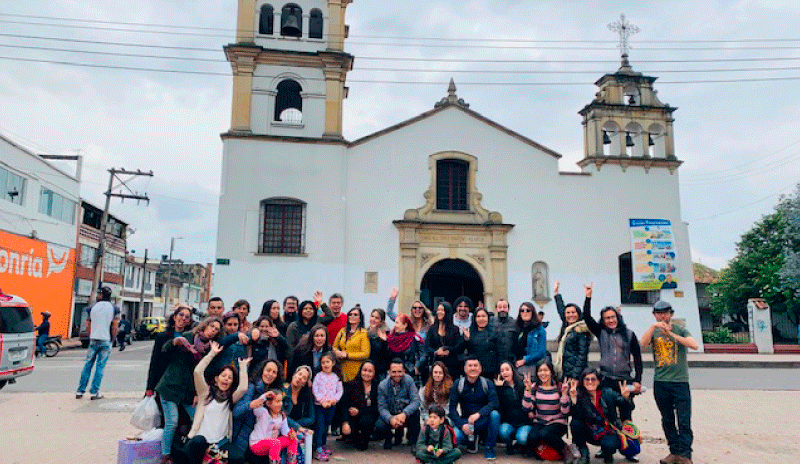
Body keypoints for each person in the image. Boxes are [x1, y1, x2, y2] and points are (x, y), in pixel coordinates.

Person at [155, 317, 223, 464]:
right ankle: (166, 455)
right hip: (170, 387)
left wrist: (197, 393)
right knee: (172, 422)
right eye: (212, 326)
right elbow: (165, 349)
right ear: (204, 326)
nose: (213, 331)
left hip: (188, 392)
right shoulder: (188, 337)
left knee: (199, 419)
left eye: (217, 329)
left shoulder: (210, 348)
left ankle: (198, 452)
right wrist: (174, 342)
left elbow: (202, 372)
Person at [640, 301, 699, 464]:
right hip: (661, 382)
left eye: (665, 313)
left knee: (684, 420)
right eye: (659, 313)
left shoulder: (680, 329)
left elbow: (694, 345)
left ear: (671, 314)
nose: (662, 316)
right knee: (667, 419)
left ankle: (685, 455)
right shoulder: (654, 332)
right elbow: (642, 344)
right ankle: (674, 452)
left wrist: (671, 334)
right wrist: (653, 328)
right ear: (654, 315)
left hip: (680, 382)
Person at [183, 342, 250, 464]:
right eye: (224, 376)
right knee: (198, 442)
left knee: (238, 458)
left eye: (230, 378)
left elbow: (243, 388)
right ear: (216, 378)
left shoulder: (230, 398)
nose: (226, 379)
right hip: (200, 442)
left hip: (219, 442)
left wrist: (243, 366)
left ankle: (212, 457)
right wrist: (212, 353)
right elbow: (198, 372)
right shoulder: (205, 393)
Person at [584, 303, 642, 421]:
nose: (610, 320)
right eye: (607, 318)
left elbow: (637, 358)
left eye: (612, 317)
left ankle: (627, 438)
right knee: (608, 414)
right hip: (606, 379)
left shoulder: (629, 334)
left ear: (618, 317)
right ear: (603, 320)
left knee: (626, 414)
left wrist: (637, 380)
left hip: (625, 379)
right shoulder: (601, 332)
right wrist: (588, 297)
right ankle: (612, 438)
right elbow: (587, 317)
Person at [568, 368, 632, 464]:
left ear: (598, 381)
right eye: (587, 379)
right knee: (575, 424)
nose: (590, 382)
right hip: (590, 430)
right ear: (583, 381)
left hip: (607, 430)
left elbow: (627, 407)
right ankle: (584, 454)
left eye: (593, 379)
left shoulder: (608, 393)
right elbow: (576, 416)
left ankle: (608, 455)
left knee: (609, 445)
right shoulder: (580, 395)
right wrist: (574, 400)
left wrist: (626, 398)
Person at [232, 358, 285, 462]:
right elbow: (236, 412)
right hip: (246, 438)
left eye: (274, 372)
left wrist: (297, 427)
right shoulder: (252, 387)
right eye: (268, 370)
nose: (270, 374)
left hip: (265, 439)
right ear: (262, 371)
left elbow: (280, 415)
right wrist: (250, 404)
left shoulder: (275, 392)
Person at [448, 357, 501, 461]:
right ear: (465, 369)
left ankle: (489, 447)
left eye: (476, 366)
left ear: (480, 369)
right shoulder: (458, 384)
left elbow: (494, 403)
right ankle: (472, 440)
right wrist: (461, 425)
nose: (473, 368)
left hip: (483, 421)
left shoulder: (487, 383)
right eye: (470, 366)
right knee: (457, 437)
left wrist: (479, 414)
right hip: (466, 422)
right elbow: (452, 410)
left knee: (495, 415)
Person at [521, 360, 571, 461]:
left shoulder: (559, 386)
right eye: (540, 370)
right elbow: (526, 408)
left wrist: (565, 394)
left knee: (544, 434)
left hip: (557, 422)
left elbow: (565, 412)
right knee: (532, 438)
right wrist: (527, 390)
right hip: (540, 421)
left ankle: (565, 449)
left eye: (546, 370)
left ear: (551, 372)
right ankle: (549, 452)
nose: (543, 373)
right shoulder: (535, 387)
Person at [75, 286, 119, 400]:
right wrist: (113, 339)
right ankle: (94, 392)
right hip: (105, 340)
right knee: (100, 367)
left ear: (101, 295)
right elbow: (115, 326)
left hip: (94, 339)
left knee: (87, 365)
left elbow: (88, 324)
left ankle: (80, 391)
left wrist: (91, 335)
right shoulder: (114, 308)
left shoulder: (92, 307)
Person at [145, 305, 193, 399]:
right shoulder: (162, 336)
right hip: (163, 382)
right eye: (181, 315)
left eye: (187, 317)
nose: (183, 318)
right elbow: (154, 362)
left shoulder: (191, 336)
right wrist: (150, 386)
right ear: (174, 317)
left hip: (182, 384)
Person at [376, 359, 421, 450]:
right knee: (379, 425)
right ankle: (388, 438)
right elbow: (382, 407)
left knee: (416, 413)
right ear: (389, 372)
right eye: (394, 372)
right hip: (391, 412)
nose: (397, 374)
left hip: (405, 412)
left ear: (404, 371)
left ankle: (413, 441)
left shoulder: (409, 381)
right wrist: (390, 418)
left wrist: (404, 413)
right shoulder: (382, 385)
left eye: (399, 371)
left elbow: (416, 401)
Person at [553, 282, 593, 382]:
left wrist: (575, 376)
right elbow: (561, 309)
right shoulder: (568, 328)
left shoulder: (581, 330)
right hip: (565, 371)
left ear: (578, 314)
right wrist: (557, 294)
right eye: (568, 313)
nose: (571, 315)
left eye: (573, 312)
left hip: (575, 374)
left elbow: (582, 356)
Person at [249, 389, 299, 464]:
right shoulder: (263, 413)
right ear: (268, 404)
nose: (280, 404)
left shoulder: (282, 415)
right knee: (275, 442)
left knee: (293, 439)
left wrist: (290, 433)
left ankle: (291, 462)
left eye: (281, 401)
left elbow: (285, 430)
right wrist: (265, 395)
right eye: (277, 401)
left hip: (273, 444)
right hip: (257, 443)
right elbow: (256, 406)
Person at [340, 360, 380, 450]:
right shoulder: (352, 384)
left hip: (368, 416)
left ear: (374, 373)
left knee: (366, 421)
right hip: (352, 416)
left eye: (370, 371)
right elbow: (344, 404)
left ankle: (365, 438)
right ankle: (351, 436)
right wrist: (345, 423)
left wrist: (359, 411)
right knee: (349, 429)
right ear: (360, 371)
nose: (367, 373)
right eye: (364, 370)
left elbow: (377, 408)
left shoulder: (377, 387)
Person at [311, 352, 343, 461]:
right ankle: (318, 448)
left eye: (327, 362)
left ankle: (323, 445)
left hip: (331, 406)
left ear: (333, 363)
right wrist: (322, 401)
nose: (325, 364)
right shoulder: (318, 376)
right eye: (323, 362)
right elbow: (315, 390)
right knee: (320, 426)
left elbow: (339, 391)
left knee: (326, 426)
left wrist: (334, 400)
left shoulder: (336, 377)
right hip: (320, 406)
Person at [494, 361, 530, 455]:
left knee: (522, 438)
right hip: (509, 422)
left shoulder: (522, 384)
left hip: (524, 422)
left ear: (512, 370)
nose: (505, 372)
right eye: (502, 371)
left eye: (507, 369)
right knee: (503, 431)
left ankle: (520, 445)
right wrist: (499, 389)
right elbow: (498, 407)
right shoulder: (500, 388)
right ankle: (509, 445)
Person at [387, 313, 428, 387]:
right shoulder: (391, 339)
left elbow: (423, 354)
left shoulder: (414, 338)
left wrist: (417, 367)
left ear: (405, 325)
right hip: (394, 374)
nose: (395, 325)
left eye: (397, 323)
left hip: (410, 373)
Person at [332, 305, 371, 383]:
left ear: (360, 318)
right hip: (341, 370)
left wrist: (348, 355)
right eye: (350, 314)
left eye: (355, 315)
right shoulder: (342, 331)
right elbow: (334, 346)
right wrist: (337, 352)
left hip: (356, 371)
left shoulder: (363, 333)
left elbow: (366, 354)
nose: (352, 316)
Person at [427, 302, 464, 380]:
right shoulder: (432, 329)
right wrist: (436, 352)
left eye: (442, 310)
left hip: (452, 366)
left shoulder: (455, 329)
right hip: (436, 365)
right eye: (438, 310)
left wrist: (447, 350)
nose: (439, 312)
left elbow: (458, 347)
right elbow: (427, 346)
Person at [463, 307, 500, 379]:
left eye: (483, 316)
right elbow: (468, 351)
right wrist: (467, 339)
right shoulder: (470, 332)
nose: (481, 319)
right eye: (478, 316)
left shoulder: (494, 332)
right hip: (474, 372)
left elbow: (499, 352)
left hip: (490, 371)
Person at [514, 302, 547, 377]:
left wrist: (525, 360)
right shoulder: (517, 328)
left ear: (532, 312)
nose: (525, 313)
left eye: (528, 310)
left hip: (533, 366)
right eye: (522, 310)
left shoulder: (539, 330)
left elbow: (541, 352)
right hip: (518, 366)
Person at [367, 308, 391, 381]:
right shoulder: (366, 331)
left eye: (377, 318)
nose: (373, 319)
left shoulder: (385, 333)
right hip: (368, 369)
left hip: (380, 371)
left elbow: (386, 355)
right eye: (372, 316)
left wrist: (383, 341)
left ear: (381, 321)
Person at [491, 299, 517, 364]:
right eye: (500, 307)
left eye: (505, 307)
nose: (502, 309)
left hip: (511, 360)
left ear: (508, 309)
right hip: (494, 361)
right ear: (496, 309)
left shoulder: (515, 323)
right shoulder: (490, 322)